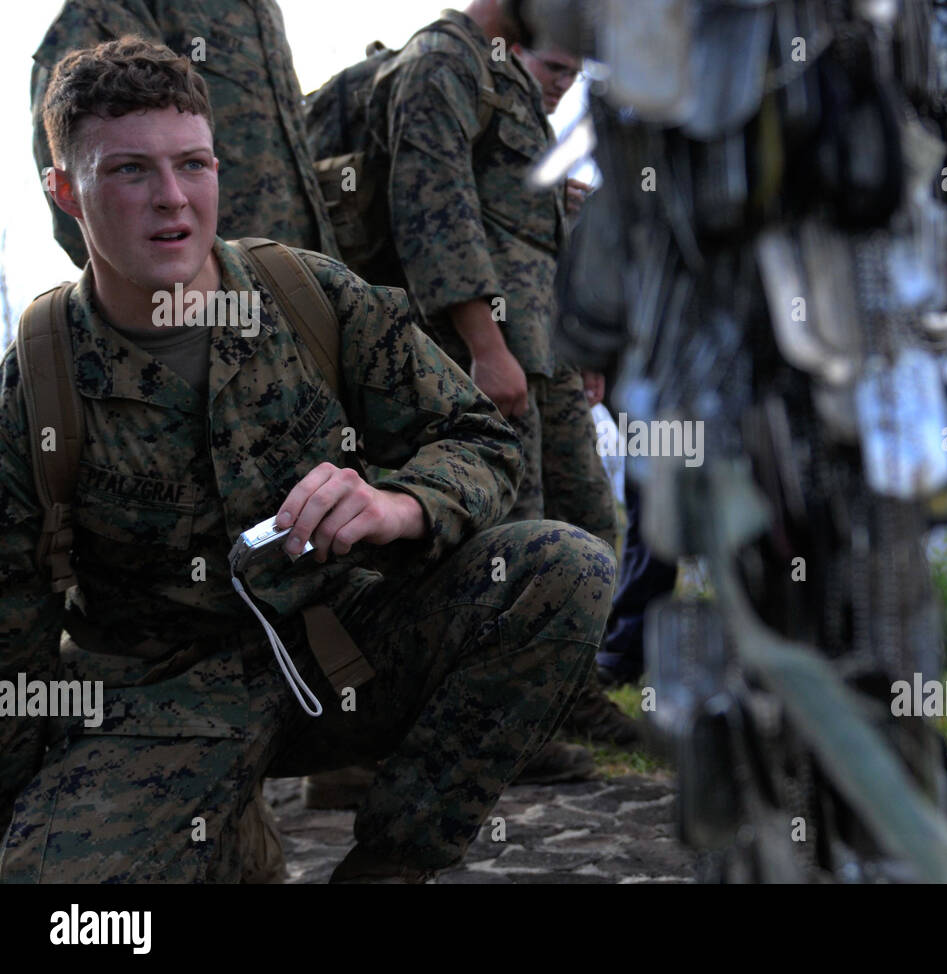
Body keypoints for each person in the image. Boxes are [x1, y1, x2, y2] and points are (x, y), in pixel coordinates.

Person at [0, 37, 614, 883]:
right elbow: (13, 624)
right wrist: (35, 818)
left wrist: (402, 504)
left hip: (345, 653)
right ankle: (229, 837)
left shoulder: (305, 294)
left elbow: (481, 438)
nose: (173, 199)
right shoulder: (40, 371)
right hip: (160, 705)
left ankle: (389, 868)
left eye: (195, 163)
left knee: (562, 567)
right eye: (129, 171)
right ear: (65, 191)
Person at [369, 0, 633, 745]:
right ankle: (507, 734)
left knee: (587, 527)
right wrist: (484, 348)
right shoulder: (442, 62)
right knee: (518, 544)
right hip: (487, 356)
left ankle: (568, 697)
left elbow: (533, 242)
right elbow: (434, 210)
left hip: (542, 354)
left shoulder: (504, 81)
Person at [31, 0, 338, 265]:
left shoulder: (260, 9)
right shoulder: (119, 7)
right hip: (204, 303)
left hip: (300, 282)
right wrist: (155, 291)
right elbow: (67, 152)